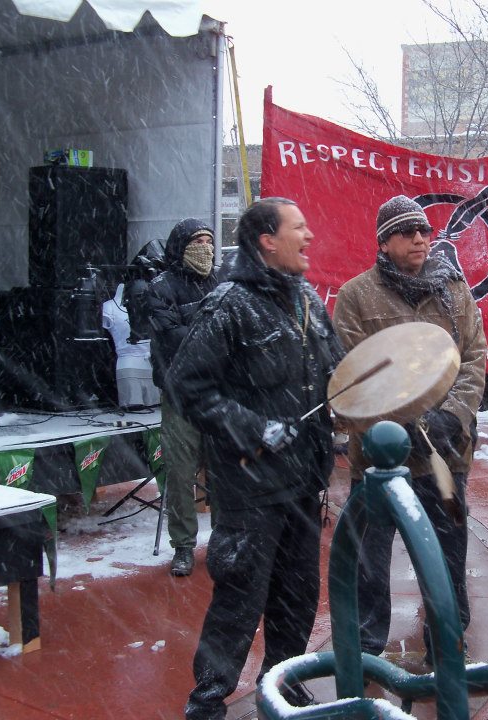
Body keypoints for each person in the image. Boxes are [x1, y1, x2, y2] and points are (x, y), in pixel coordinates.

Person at [166, 198, 343, 719]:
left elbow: (334, 376)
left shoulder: (308, 300)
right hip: (248, 489)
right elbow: (186, 386)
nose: (309, 236)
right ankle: (207, 703)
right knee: (239, 604)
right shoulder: (229, 304)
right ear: (267, 239)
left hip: (303, 485)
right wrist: (252, 427)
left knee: (298, 597)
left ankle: (282, 685)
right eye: (299, 228)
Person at [332, 194, 487, 664]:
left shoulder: (455, 289)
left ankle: (446, 642)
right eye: (406, 232)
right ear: (384, 242)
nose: (420, 238)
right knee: (369, 565)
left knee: (445, 559)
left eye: (424, 230)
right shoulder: (356, 296)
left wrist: (450, 417)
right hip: (378, 461)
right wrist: (404, 427)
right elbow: (354, 377)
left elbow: (474, 359)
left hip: (447, 455)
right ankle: (367, 652)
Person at [147, 219, 219, 576]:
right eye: (197, 241)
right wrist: (211, 324)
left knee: (223, 470)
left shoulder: (222, 282)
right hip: (180, 396)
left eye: (209, 240)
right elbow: (174, 337)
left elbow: (232, 329)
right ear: (180, 246)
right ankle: (184, 546)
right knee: (179, 473)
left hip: (219, 394)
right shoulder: (160, 286)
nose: (205, 247)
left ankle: (223, 538)